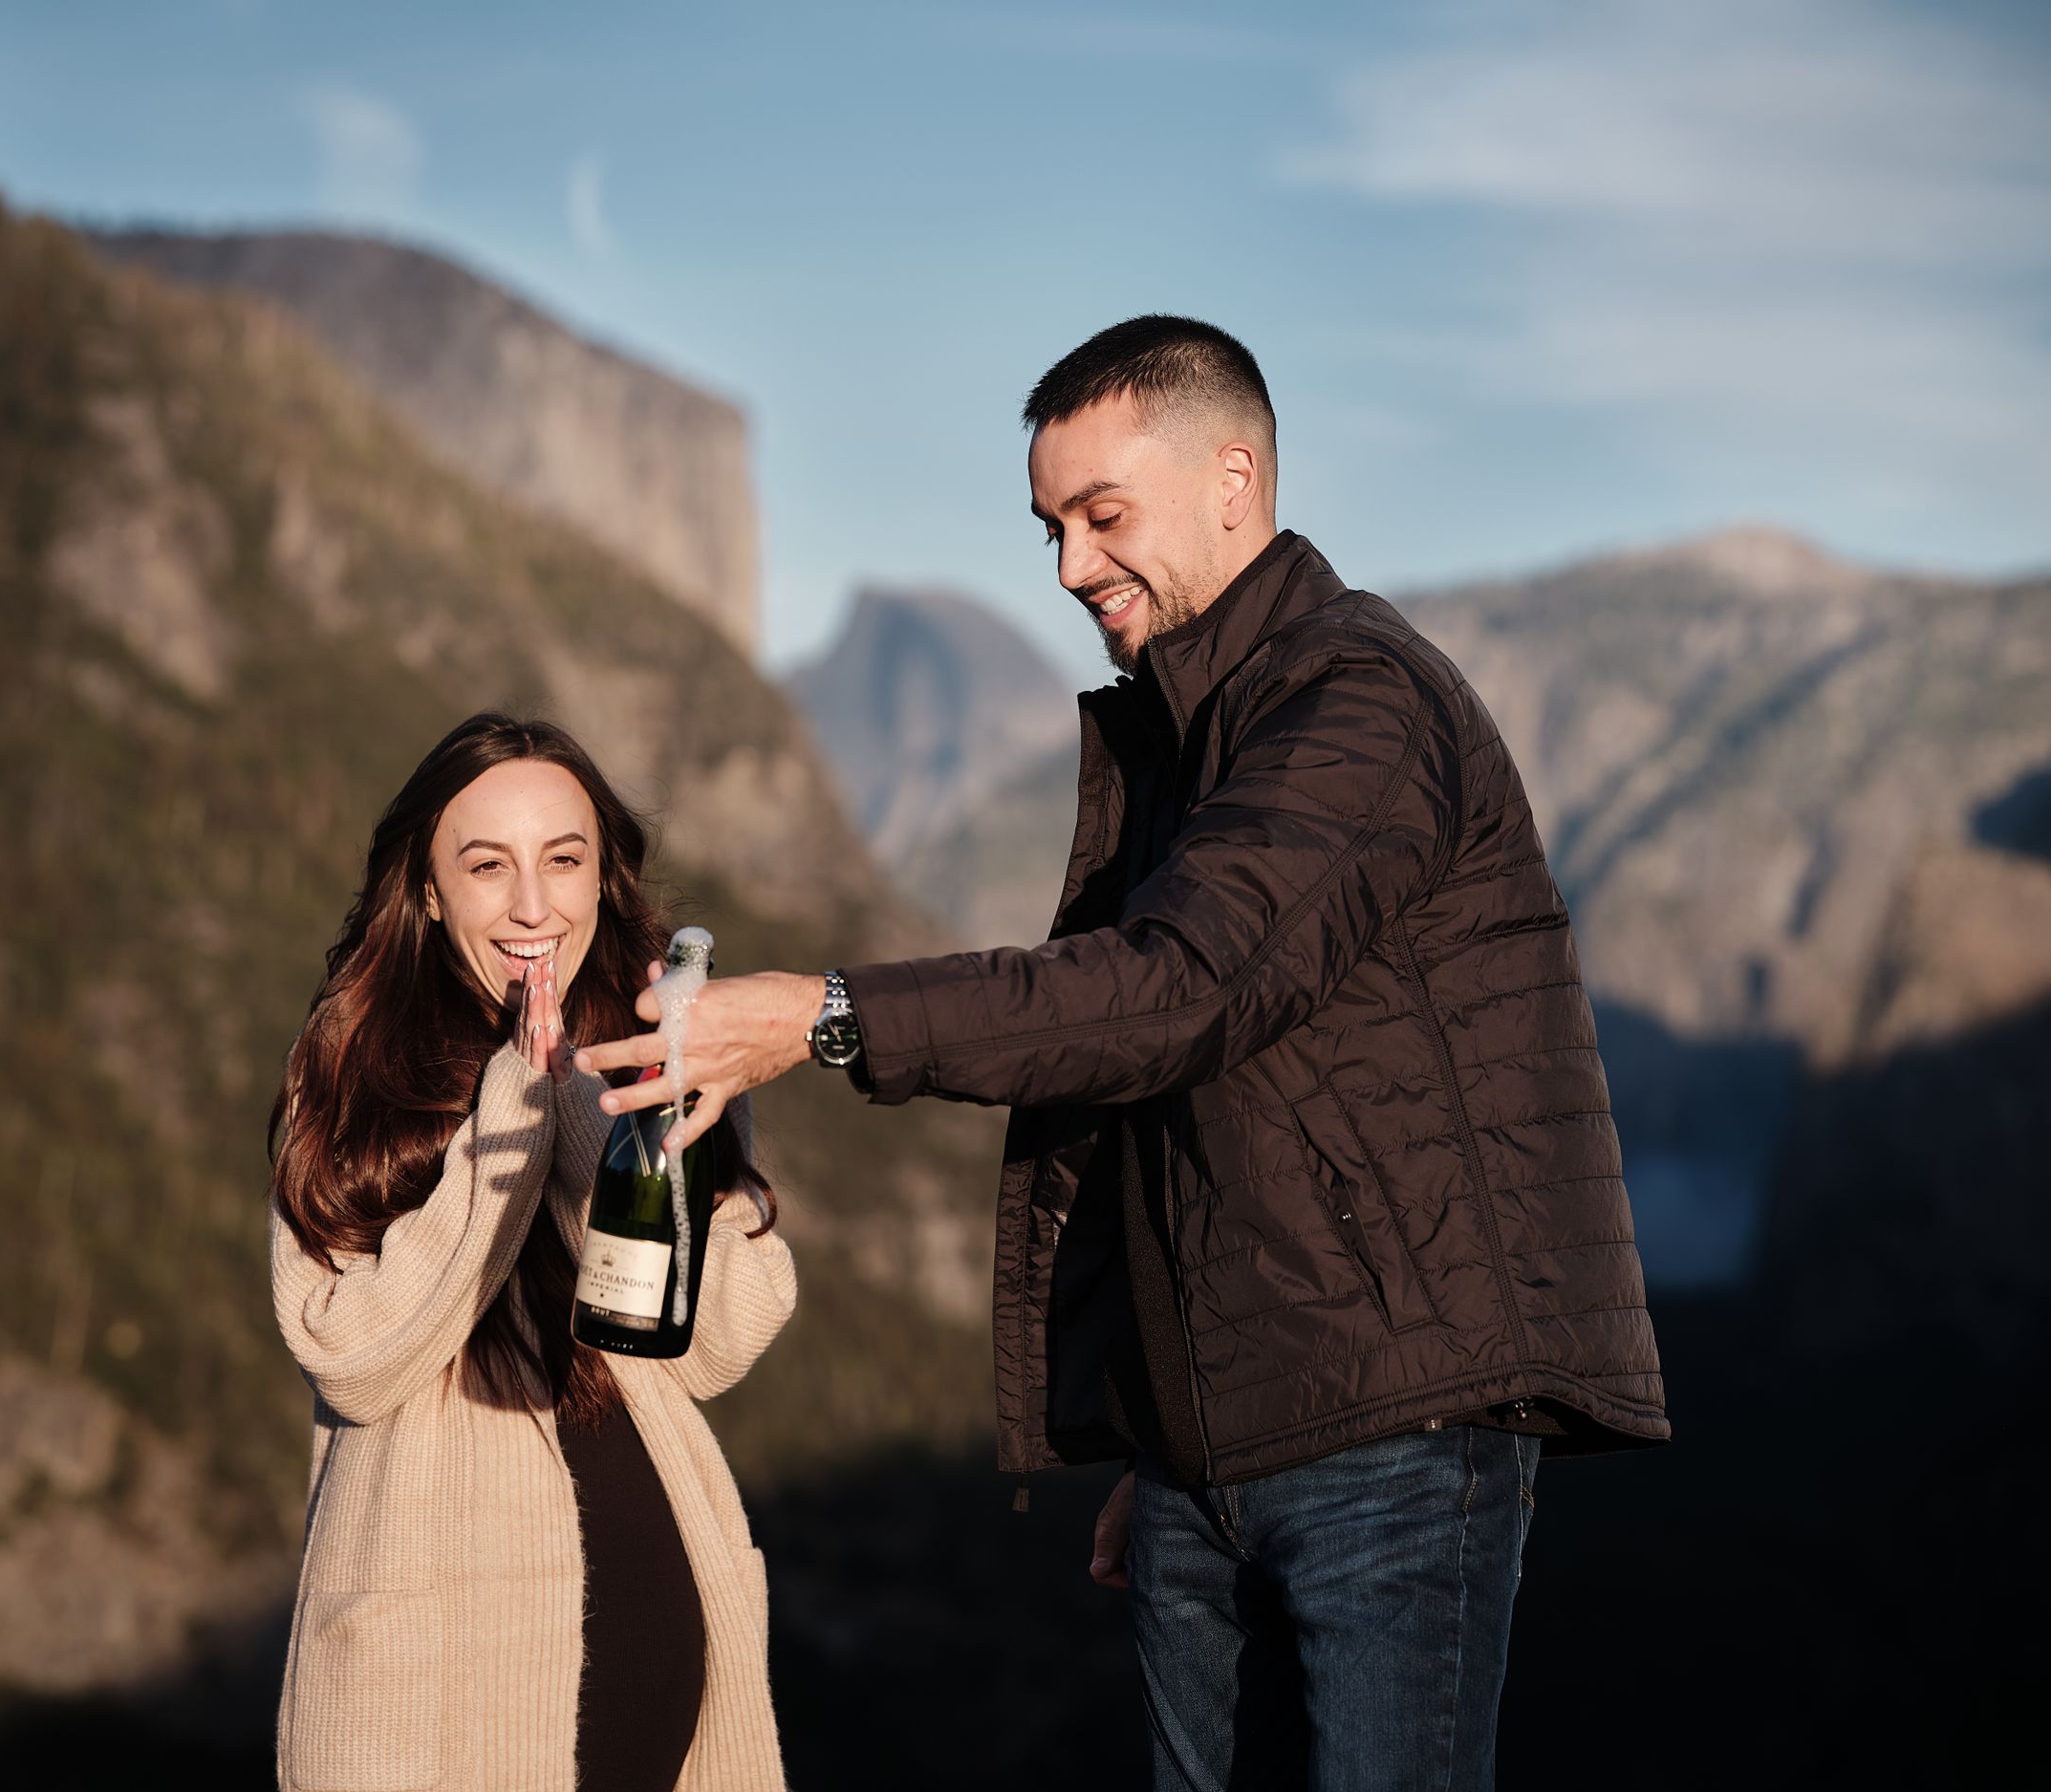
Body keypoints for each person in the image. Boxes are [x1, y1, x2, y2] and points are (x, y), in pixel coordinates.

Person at [577, 316, 1670, 1790]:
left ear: (1234, 480)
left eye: (1102, 515)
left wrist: (823, 1014)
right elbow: (1168, 1113)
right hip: (1212, 1462)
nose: (1071, 565)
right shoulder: (1184, 732)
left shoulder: (1358, 702)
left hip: (1391, 1448)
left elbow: (1176, 994)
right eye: (1051, 527)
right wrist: (1173, 1424)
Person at [267, 712, 795, 1792]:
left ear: (603, 877)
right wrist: (513, 1110)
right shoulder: (349, 1071)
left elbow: (715, 1346)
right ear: (427, 891)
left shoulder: (663, 1055)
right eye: (485, 866)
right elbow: (352, 1357)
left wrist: (597, 1121)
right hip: (431, 1711)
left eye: (562, 860)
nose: (531, 905)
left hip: (665, 1693)